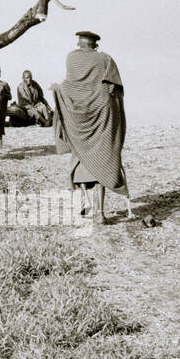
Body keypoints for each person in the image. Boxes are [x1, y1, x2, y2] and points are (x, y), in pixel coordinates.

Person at [52, 31, 131, 224]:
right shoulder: (105, 59)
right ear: (95, 44)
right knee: (103, 161)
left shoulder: (71, 58)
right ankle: (100, 213)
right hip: (102, 116)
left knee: (81, 159)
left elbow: (69, 87)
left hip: (78, 119)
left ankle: (86, 204)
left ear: (79, 43)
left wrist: (57, 89)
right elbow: (115, 89)